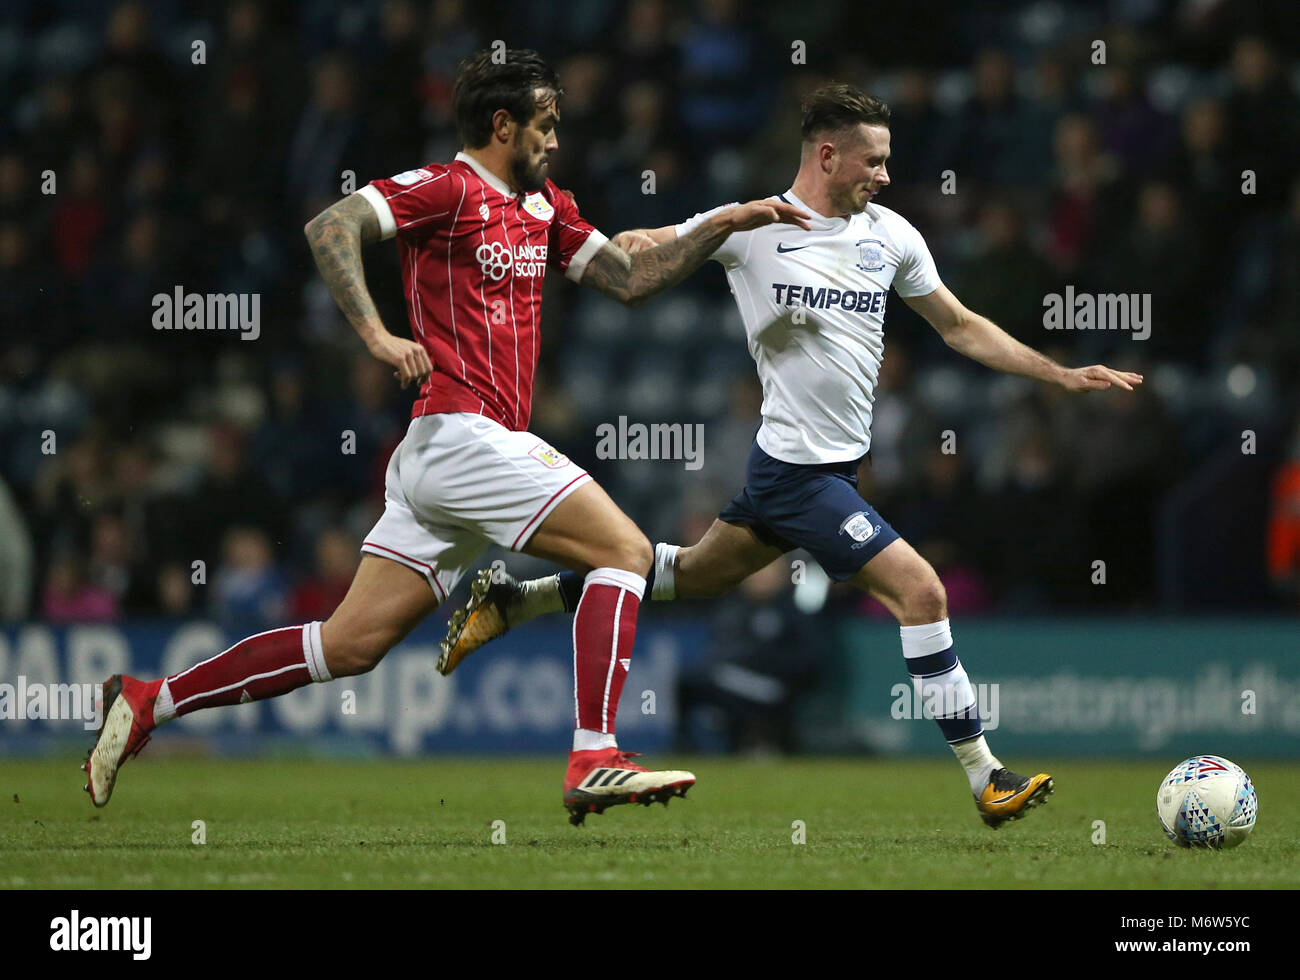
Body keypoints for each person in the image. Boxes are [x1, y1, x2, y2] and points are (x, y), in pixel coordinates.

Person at [83, 48, 809, 826]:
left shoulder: (546, 207)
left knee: (349, 645)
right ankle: (594, 753)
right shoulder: (449, 188)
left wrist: (725, 223)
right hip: (459, 432)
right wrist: (375, 334)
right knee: (625, 553)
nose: (556, 141)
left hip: (455, 458)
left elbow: (631, 277)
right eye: (545, 126)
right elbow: (332, 226)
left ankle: (150, 699)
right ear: (502, 125)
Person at [438, 83, 1145, 828]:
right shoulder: (752, 227)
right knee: (922, 592)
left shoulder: (893, 236)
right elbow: (637, 252)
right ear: (828, 155)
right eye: (873, 161)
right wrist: (572, 244)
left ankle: (521, 598)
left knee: (678, 574)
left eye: (889, 162)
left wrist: (1060, 374)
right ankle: (986, 777)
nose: (884, 175)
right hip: (801, 480)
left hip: (811, 472)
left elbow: (961, 326)